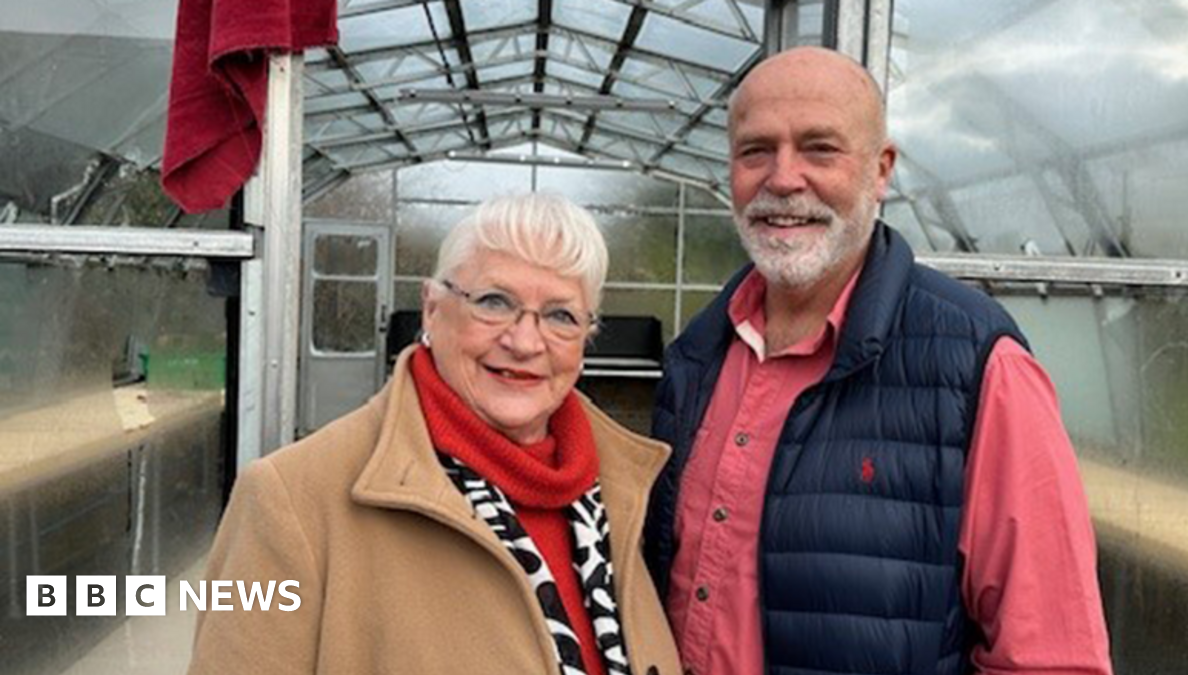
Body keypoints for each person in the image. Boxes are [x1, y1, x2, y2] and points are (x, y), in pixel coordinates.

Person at [645, 47, 1113, 675]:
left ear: (881, 170)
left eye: (820, 149)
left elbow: (1052, 657)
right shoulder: (699, 355)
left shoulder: (976, 366)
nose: (783, 178)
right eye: (756, 150)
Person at [189, 193, 682, 675]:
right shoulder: (292, 497)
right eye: (494, 302)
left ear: (586, 336)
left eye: (560, 316)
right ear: (431, 308)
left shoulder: (624, 490)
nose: (525, 342)